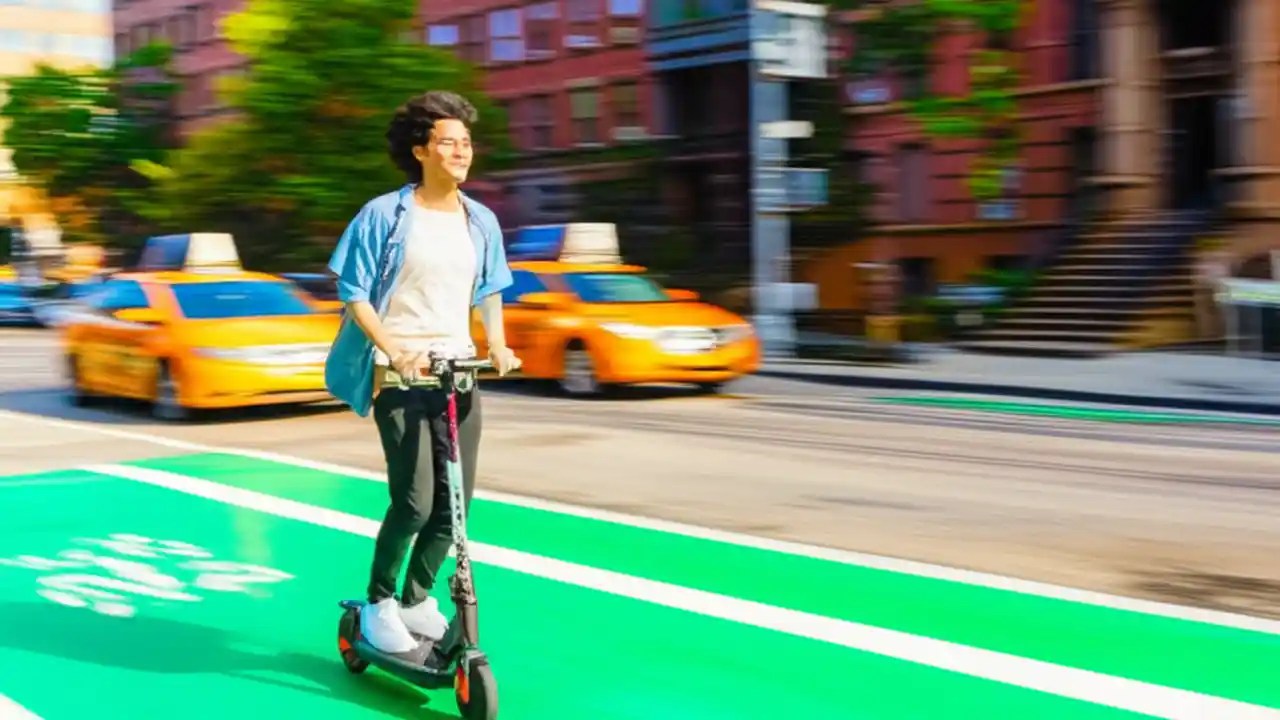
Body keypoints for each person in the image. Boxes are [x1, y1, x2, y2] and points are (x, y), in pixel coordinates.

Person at [324, 90, 520, 654]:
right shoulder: (384, 215)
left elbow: (490, 289)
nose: (461, 152)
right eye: (448, 142)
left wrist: (498, 345)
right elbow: (355, 294)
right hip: (403, 376)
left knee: (456, 506)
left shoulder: (479, 218)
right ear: (420, 151)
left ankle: (416, 599)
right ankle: (380, 603)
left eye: (466, 143)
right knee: (415, 503)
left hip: (458, 373)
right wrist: (393, 349)